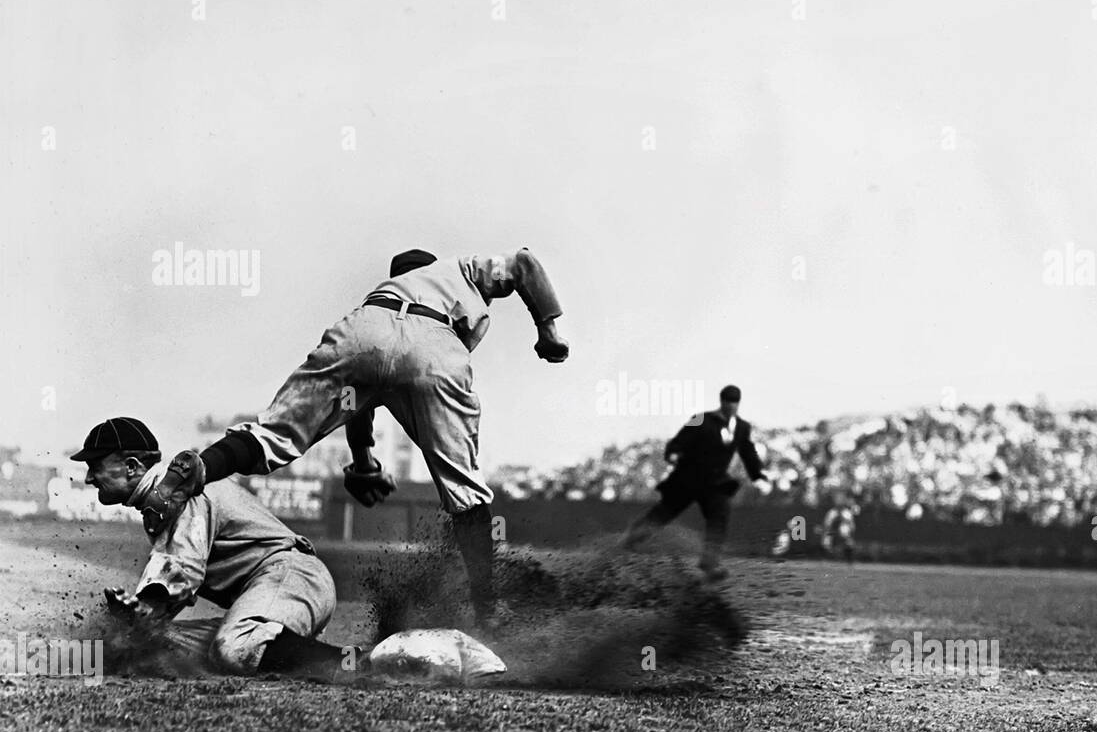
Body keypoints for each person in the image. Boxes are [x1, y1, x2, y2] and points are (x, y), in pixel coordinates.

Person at [138, 247, 569, 629]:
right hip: (435, 348)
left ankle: (202, 466)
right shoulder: (460, 270)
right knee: (466, 490)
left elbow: (356, 401)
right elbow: (526, 262)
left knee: (274, 435)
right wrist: (547, 330)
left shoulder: (380, 297)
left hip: (359, 337)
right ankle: (488, 611)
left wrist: (363, 464)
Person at [74, 416, 344, 678]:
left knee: (234, 646)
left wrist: (145, 609)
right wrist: (137, 623)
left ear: (131, 466)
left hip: (291, 577)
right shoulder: (163, 497)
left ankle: (358, 663)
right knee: (145, 648)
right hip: (269, 594)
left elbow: (183, 570)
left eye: (95, 466)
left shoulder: (177, 491)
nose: (88, 477)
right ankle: (279, 644)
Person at [621, 385, 771, 580]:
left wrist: (758, 476)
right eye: (728, 401)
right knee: (664, 512)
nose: (731, 406)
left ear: (738, 404)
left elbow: (748, 452)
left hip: (715, 483)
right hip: (688, 477)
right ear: (722, 401)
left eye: (734, 402)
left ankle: (710, 562)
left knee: (720, 514)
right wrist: (673, 453)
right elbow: (679, 440)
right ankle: (630, 540)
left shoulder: (742, 427)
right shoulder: (701, 419)